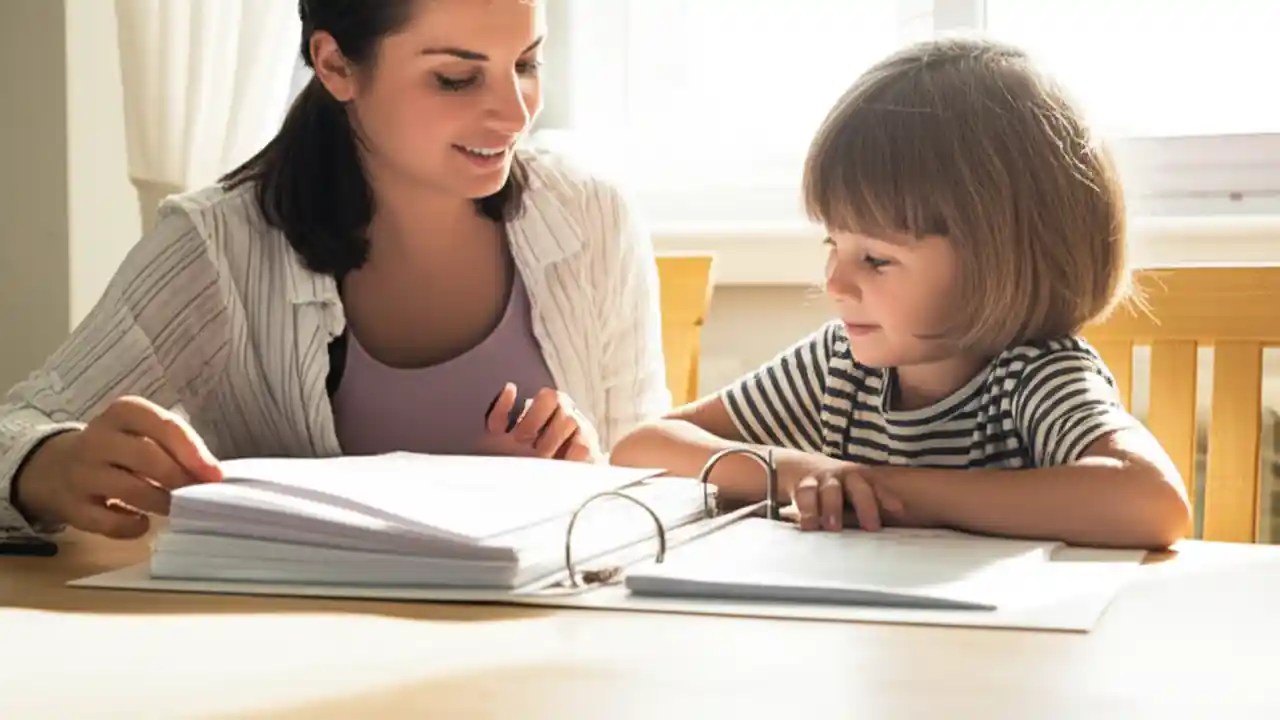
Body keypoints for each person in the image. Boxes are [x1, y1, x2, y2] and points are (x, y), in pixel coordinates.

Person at [0, 0, 668, 541]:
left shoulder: (590, 216)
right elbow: (16, 426)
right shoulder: (218, 245)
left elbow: (654, 484)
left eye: (525, 63)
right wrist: (45, 465)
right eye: (456, 78)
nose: (515, 113)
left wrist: (583, 475)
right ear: (335, 64)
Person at [612, 38, 1191, 549]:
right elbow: (644, 448)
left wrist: (893, 491)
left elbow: (1153, 502)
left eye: (877, 259)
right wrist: (804, 471)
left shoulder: (1032, 376)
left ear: (998, 257)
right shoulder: (840, 364)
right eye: (832, 246)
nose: (835, 284)